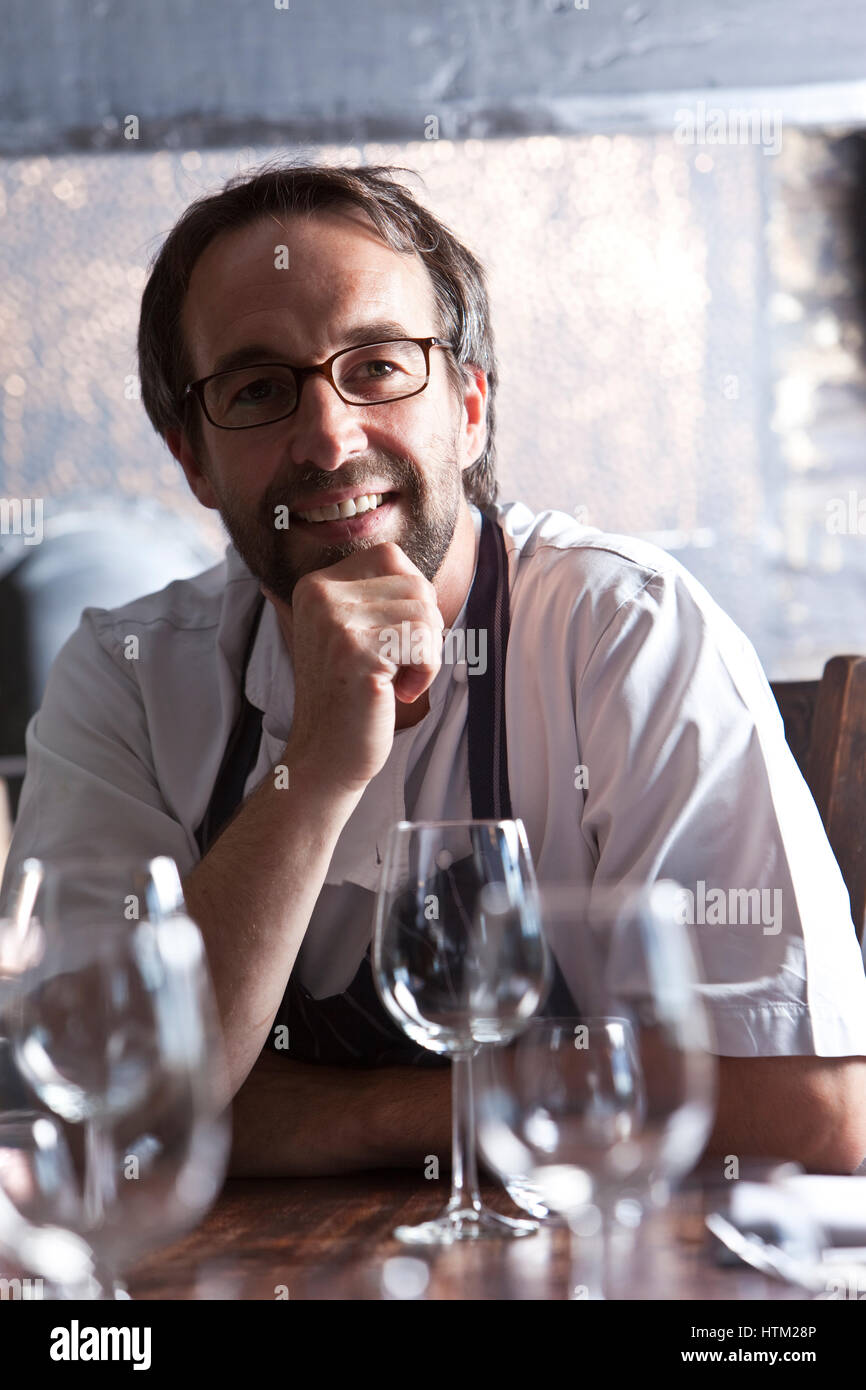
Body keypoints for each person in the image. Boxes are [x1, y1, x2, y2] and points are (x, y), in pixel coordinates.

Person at [4, 161, 866, 1179]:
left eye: (374, 366)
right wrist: (318, 768)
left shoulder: (620, 632)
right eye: (257, 389)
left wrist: (341, 1117)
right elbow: (87, 1104)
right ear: (191, 456)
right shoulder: (128, 678)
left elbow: (813, 1113)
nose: (326, 436)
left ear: (468, 405)